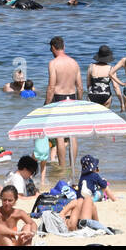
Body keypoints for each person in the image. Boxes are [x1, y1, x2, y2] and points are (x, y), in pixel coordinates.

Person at [45, 36, 83, 168]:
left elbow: (51, 87)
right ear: (64, 47)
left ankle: (62, 166)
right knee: (73, 135)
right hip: (72, 98)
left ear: (53, 48)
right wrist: (79, 101)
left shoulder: (53, 63)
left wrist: (47, 104)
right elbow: (80, 87)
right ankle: (72, 166)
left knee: (59, 136)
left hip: (58, 98)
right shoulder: (74, 63)